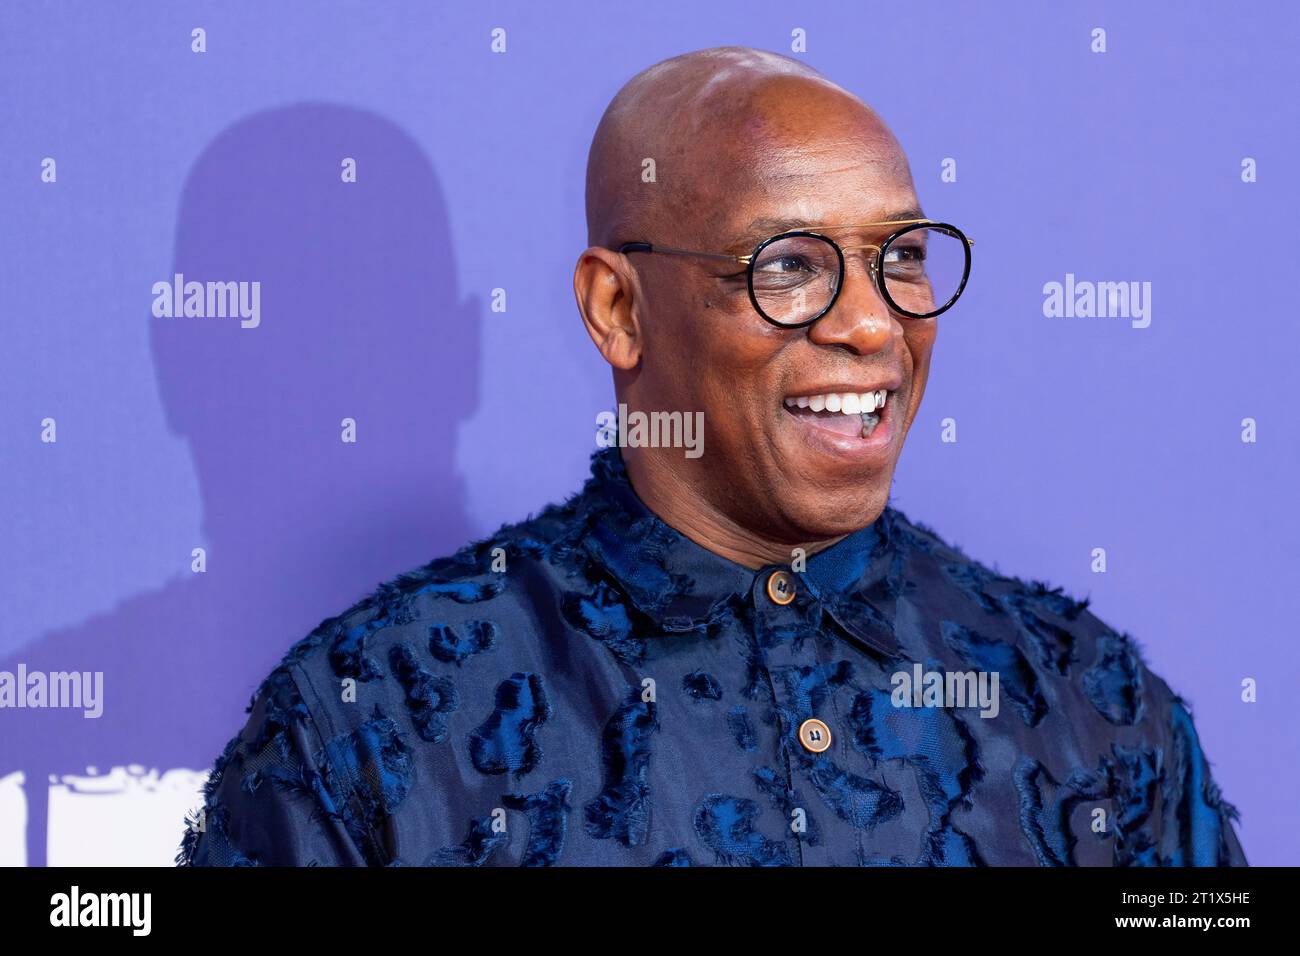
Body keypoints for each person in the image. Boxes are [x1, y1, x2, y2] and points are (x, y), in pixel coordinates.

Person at [180, 46, 1246, 867]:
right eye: (790, 265)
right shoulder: (372, 715)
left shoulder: (1084, 697)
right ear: (618, 308)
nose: (873, 325)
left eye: (901, 258)